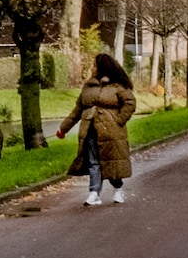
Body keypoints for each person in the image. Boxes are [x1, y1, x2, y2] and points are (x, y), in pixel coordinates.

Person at [56, 52, 136, 206]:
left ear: (103, 67)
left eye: (94, 65)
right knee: (94, 161)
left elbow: (130, 103)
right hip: (90, 129)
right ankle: (94, 193)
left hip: (111, 132)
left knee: (111, 163)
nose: (92, 68)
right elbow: (77, 111)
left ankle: (118, 188)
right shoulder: (88, 87)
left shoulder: (118, 86)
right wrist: (63, 129)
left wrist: (119, 120)